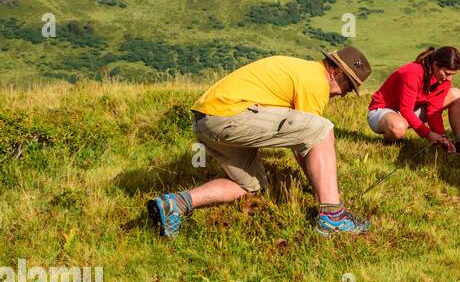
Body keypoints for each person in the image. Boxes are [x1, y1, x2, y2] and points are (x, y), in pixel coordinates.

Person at [147, 47, 374, 238]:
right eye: (348, 86)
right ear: (335, 71)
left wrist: (317, 188)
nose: (345, 94)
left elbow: (300, 140)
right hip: (228, 115)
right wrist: (321, 192)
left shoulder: (302, 70)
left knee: (250, 188)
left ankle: (175, 204)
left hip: (206, 120)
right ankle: (333, 217)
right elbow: (307, 140)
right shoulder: (315, 81)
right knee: (323, 128)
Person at [367, 45, 460, 155]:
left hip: (408, 111)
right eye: (447, 73)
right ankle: (391, 138)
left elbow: (434, 111)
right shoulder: (413, 73)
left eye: (452, 75)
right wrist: (428, 134)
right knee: (398, 127)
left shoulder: (443, 79)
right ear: (435, 64)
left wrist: (442, 138)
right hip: (382, 110)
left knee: (456, 94)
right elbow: (406, 110)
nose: (449, 79)